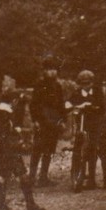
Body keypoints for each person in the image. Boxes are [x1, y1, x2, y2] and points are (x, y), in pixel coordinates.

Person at [0, 85, 45, 210]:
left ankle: (2, 207)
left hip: (3, 150)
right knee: (21, 175)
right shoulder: (4, 114)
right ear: (13, 101)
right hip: (8, 150)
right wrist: (18, 139)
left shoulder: (2, 112)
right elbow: (5, 134)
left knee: (4, 176)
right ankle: (29, 205)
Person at [28, 57, 65, 186]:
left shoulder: (58, 86)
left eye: (54, 69)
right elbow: (34, 105)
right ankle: (31, 177)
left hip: (54, 121)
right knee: (37, 149)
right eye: (49, 70)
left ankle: (43, 177)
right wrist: (35, 120)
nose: (52, 72)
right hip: (42, 120)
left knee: (49, 149)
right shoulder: (39, 85)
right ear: (44, 71)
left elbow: (61, 105)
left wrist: (62, 120)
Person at [65, 70, 102, 191]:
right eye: (83, 84)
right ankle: (76, 173)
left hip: (93, 125)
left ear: (92, 83)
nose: (86, 86)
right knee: (78, 148)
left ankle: (91, 178)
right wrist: (68, 104)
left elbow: (102, 107)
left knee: (92, 150)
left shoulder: (97, 92)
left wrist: (91, 106)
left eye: (88, 83)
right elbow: (68, 102)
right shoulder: (77, 93)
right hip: (80, 125)